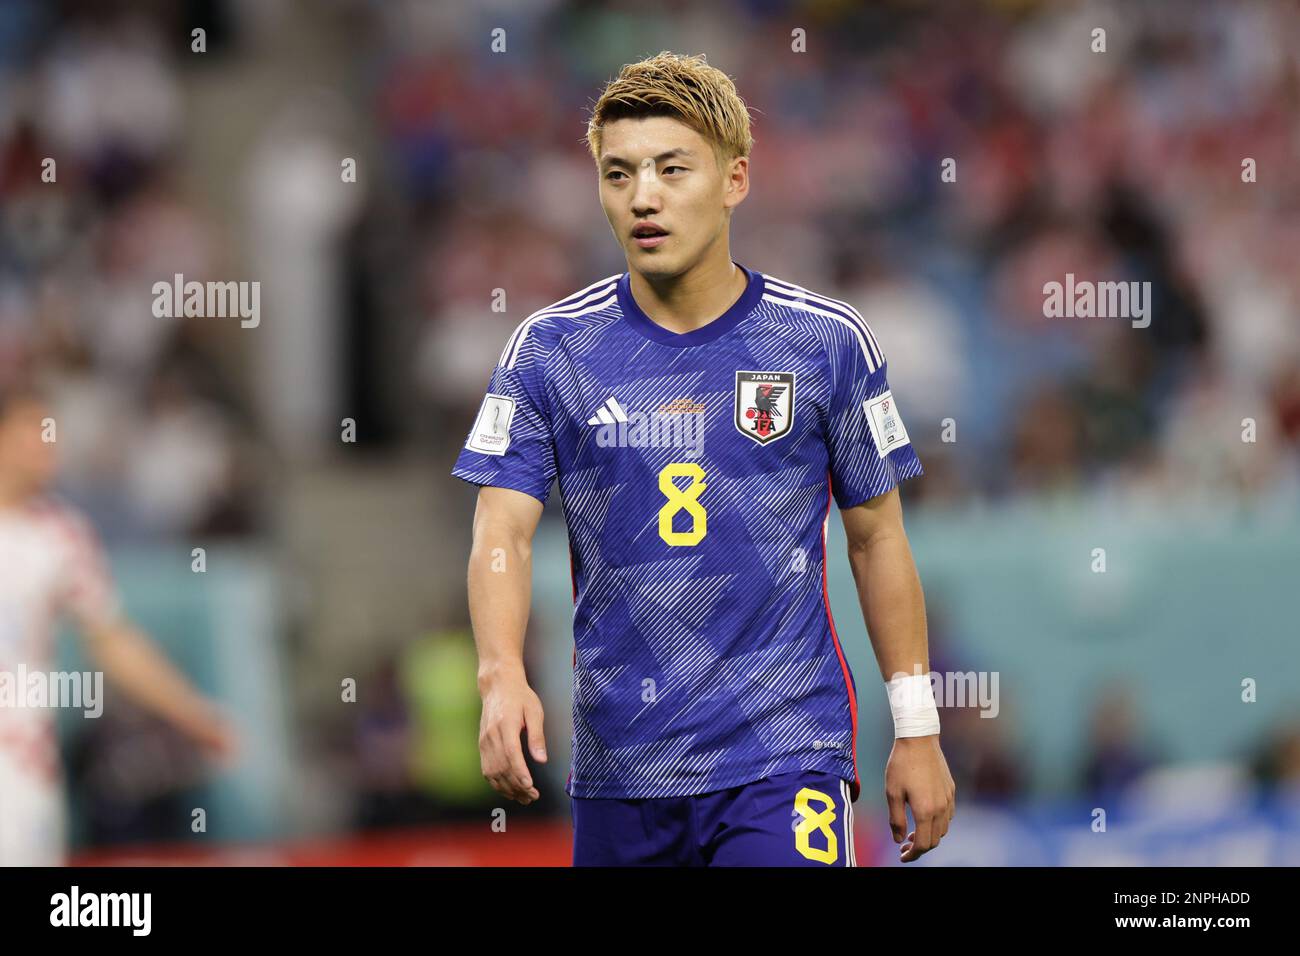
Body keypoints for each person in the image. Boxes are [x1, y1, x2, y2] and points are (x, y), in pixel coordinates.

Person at [452, 52, 954, 866]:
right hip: (622, 771)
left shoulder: (825, 342)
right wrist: (500, 674)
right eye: (619, 174)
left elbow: (878, 539)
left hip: (785, 757)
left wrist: (918, 728)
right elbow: (500, 530)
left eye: (671, 169)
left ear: (735, 180)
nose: (643, 195)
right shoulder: (550, 350)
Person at [0, 382, 237, 866]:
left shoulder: (60, 536)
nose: (50, 445)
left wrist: (191, 712)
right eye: (36, 430)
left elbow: (112, 639)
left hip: (18, 776)